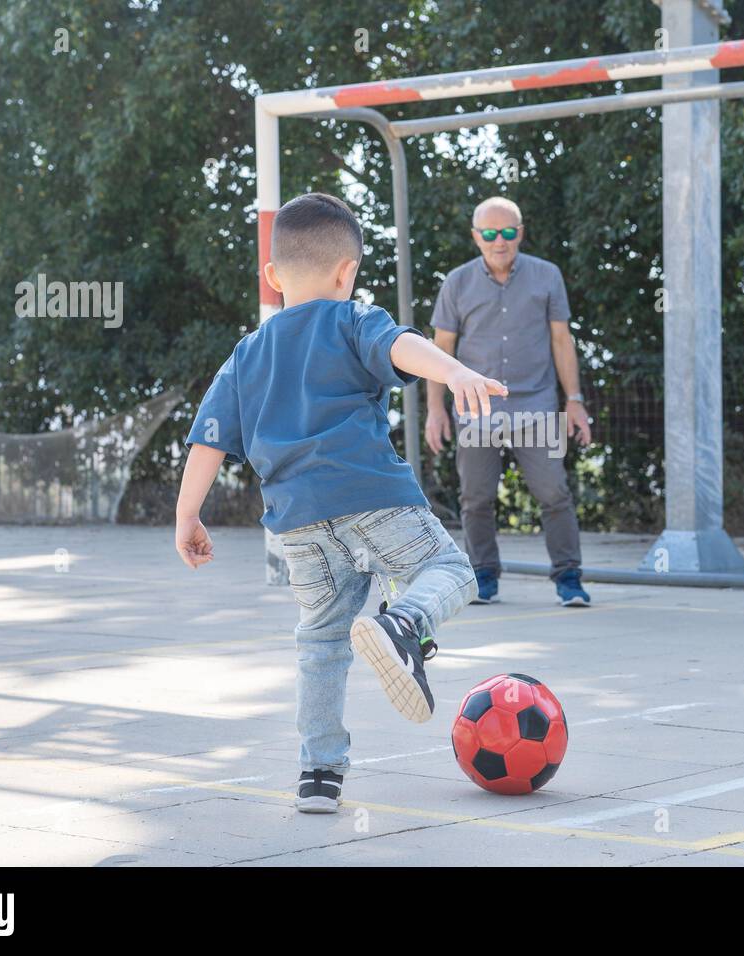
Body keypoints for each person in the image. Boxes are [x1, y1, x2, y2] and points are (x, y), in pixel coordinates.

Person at [174, 192, 506, 813]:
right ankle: (406, 624)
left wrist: (187, 514)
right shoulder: (353, 319)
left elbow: (208, 438)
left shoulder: (247, 353)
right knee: (452, 572)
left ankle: (319, 776)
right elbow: (402, 345)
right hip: (371, 493)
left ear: (272, 277)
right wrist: (454, 372)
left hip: (297, 521)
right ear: (346, 273)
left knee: (321, 642)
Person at [426, 196, 593, 607]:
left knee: (554, 492)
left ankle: (569, 579)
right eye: (489, 233)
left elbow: (561, 340)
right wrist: (434, 409)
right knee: (475, 497)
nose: (498, 241)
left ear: (519, 233)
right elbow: (440, 349)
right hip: (475, 408)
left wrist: (574, 400)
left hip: (537, 404)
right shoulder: (457, 283)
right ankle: (484, 577)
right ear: (476, 236)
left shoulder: (547, 276)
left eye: (506, 232)